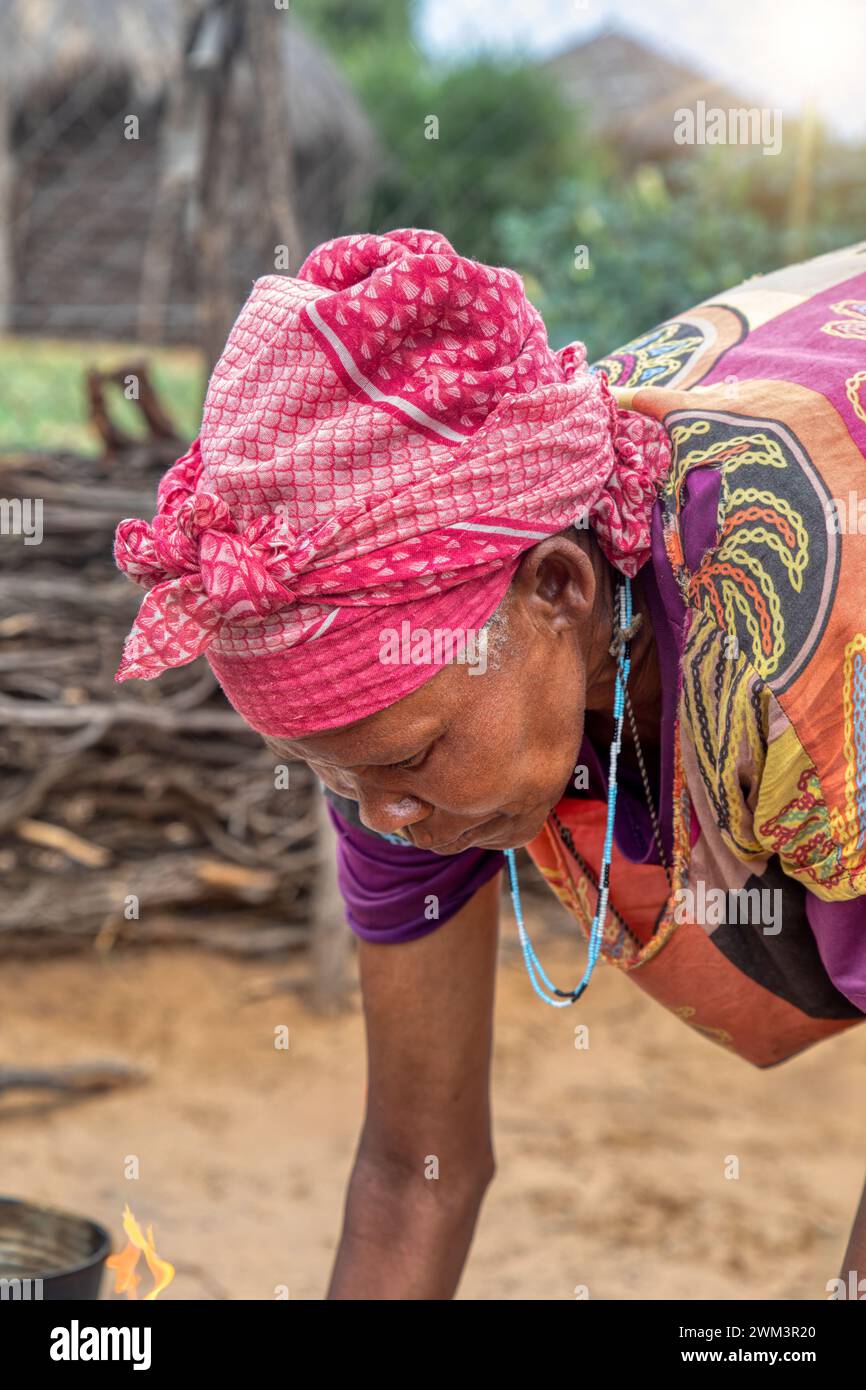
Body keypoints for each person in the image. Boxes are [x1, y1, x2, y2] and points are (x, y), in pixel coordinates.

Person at [114, 228, 866, 1299]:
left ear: (556, 589)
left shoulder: (800, 637)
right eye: (339, 780)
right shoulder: (399, 745)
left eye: (409, 758)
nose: (386, 820)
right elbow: (415, 1171)